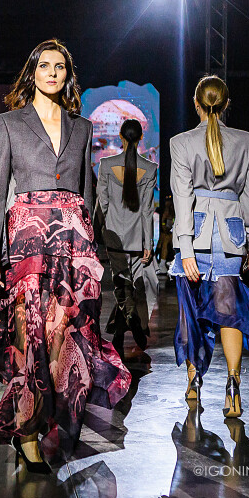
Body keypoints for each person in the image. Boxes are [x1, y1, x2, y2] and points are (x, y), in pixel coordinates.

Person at [0, 38, 131, 473]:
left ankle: (42, 416)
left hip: (72, 243)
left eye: (59, 67)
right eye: (44, 66)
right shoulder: (8, 123)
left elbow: (86, 194)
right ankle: (26, 432)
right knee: (28, 335)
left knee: (61, 335)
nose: (52, 73)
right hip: (27, 242)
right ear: (32, 72)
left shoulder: (82, 127)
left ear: (67, 75)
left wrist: (91, 249)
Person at [169, 75, 249, 418]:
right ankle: (233, 386)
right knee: (229, 310)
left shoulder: (181, 142)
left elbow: (182, 197)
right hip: (231, 235)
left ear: (196, 103)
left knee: (191, 311)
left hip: (196, 234)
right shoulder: (245, 140)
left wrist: (186, 249)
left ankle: (194, 380)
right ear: (226, 104)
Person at [96, 118, 158, 355]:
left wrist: (101, 232)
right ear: (141, 138)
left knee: (122, 285)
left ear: (121, 137)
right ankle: (127, 328)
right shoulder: (150, 169)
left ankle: (127, 324)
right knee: (130, 285)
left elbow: (103, 203)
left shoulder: (106, 165)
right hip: (136, 238)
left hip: (114, 236)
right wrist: (148, 243)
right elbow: (147, 210)